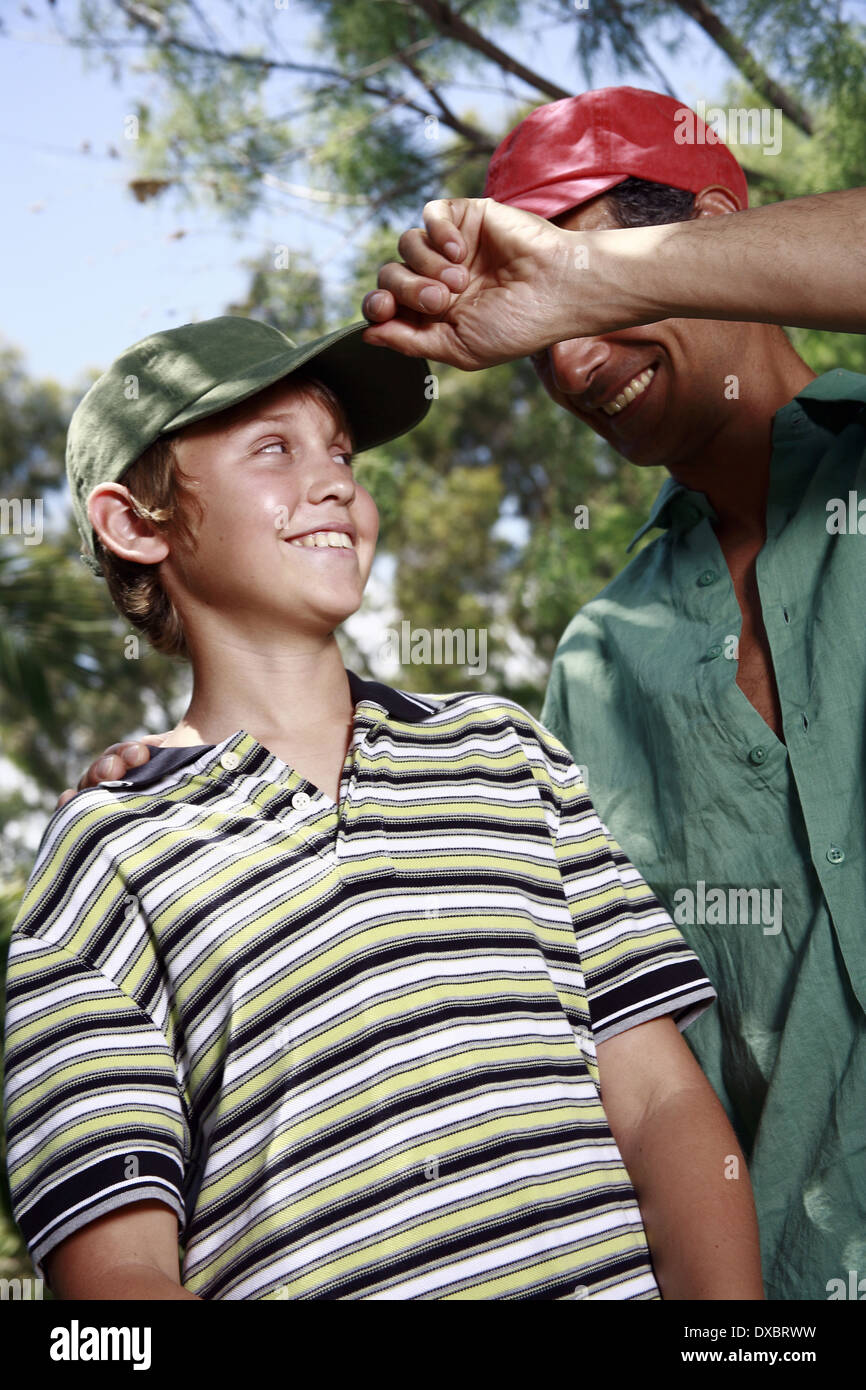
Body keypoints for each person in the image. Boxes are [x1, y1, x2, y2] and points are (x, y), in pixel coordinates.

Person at [3, 314, 762, 1301]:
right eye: (273, 449)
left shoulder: (505, 754)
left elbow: (659, 1100)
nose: (333, 483)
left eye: (341, 454)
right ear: (133, 523)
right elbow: (118, 1268)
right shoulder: (108, 854)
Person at [355, 86, 866, 1302]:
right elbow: (650, 1074)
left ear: (701, 228)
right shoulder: (596, 664)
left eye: (592, 293)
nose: (572, 361)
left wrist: (595, 274)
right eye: (538, 337)